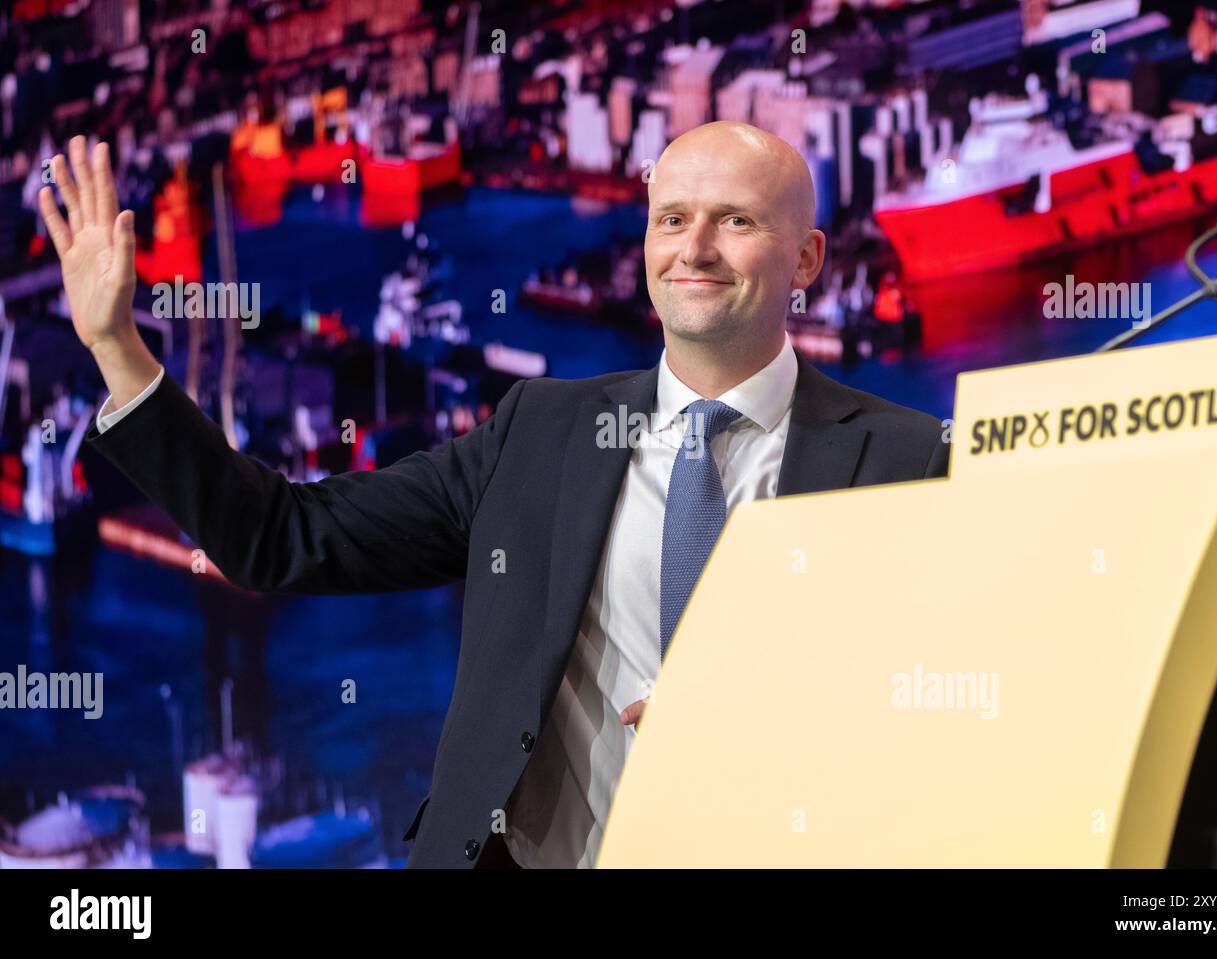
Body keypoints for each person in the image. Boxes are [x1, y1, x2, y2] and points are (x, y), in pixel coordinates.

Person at [40, 122, 949, 869]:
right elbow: (279, 537)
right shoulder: (537, 430)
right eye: (671, 218)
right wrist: (120, 347)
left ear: (809, 258)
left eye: (735, 221)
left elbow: (951, 709)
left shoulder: (907, 459)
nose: (695, 248)